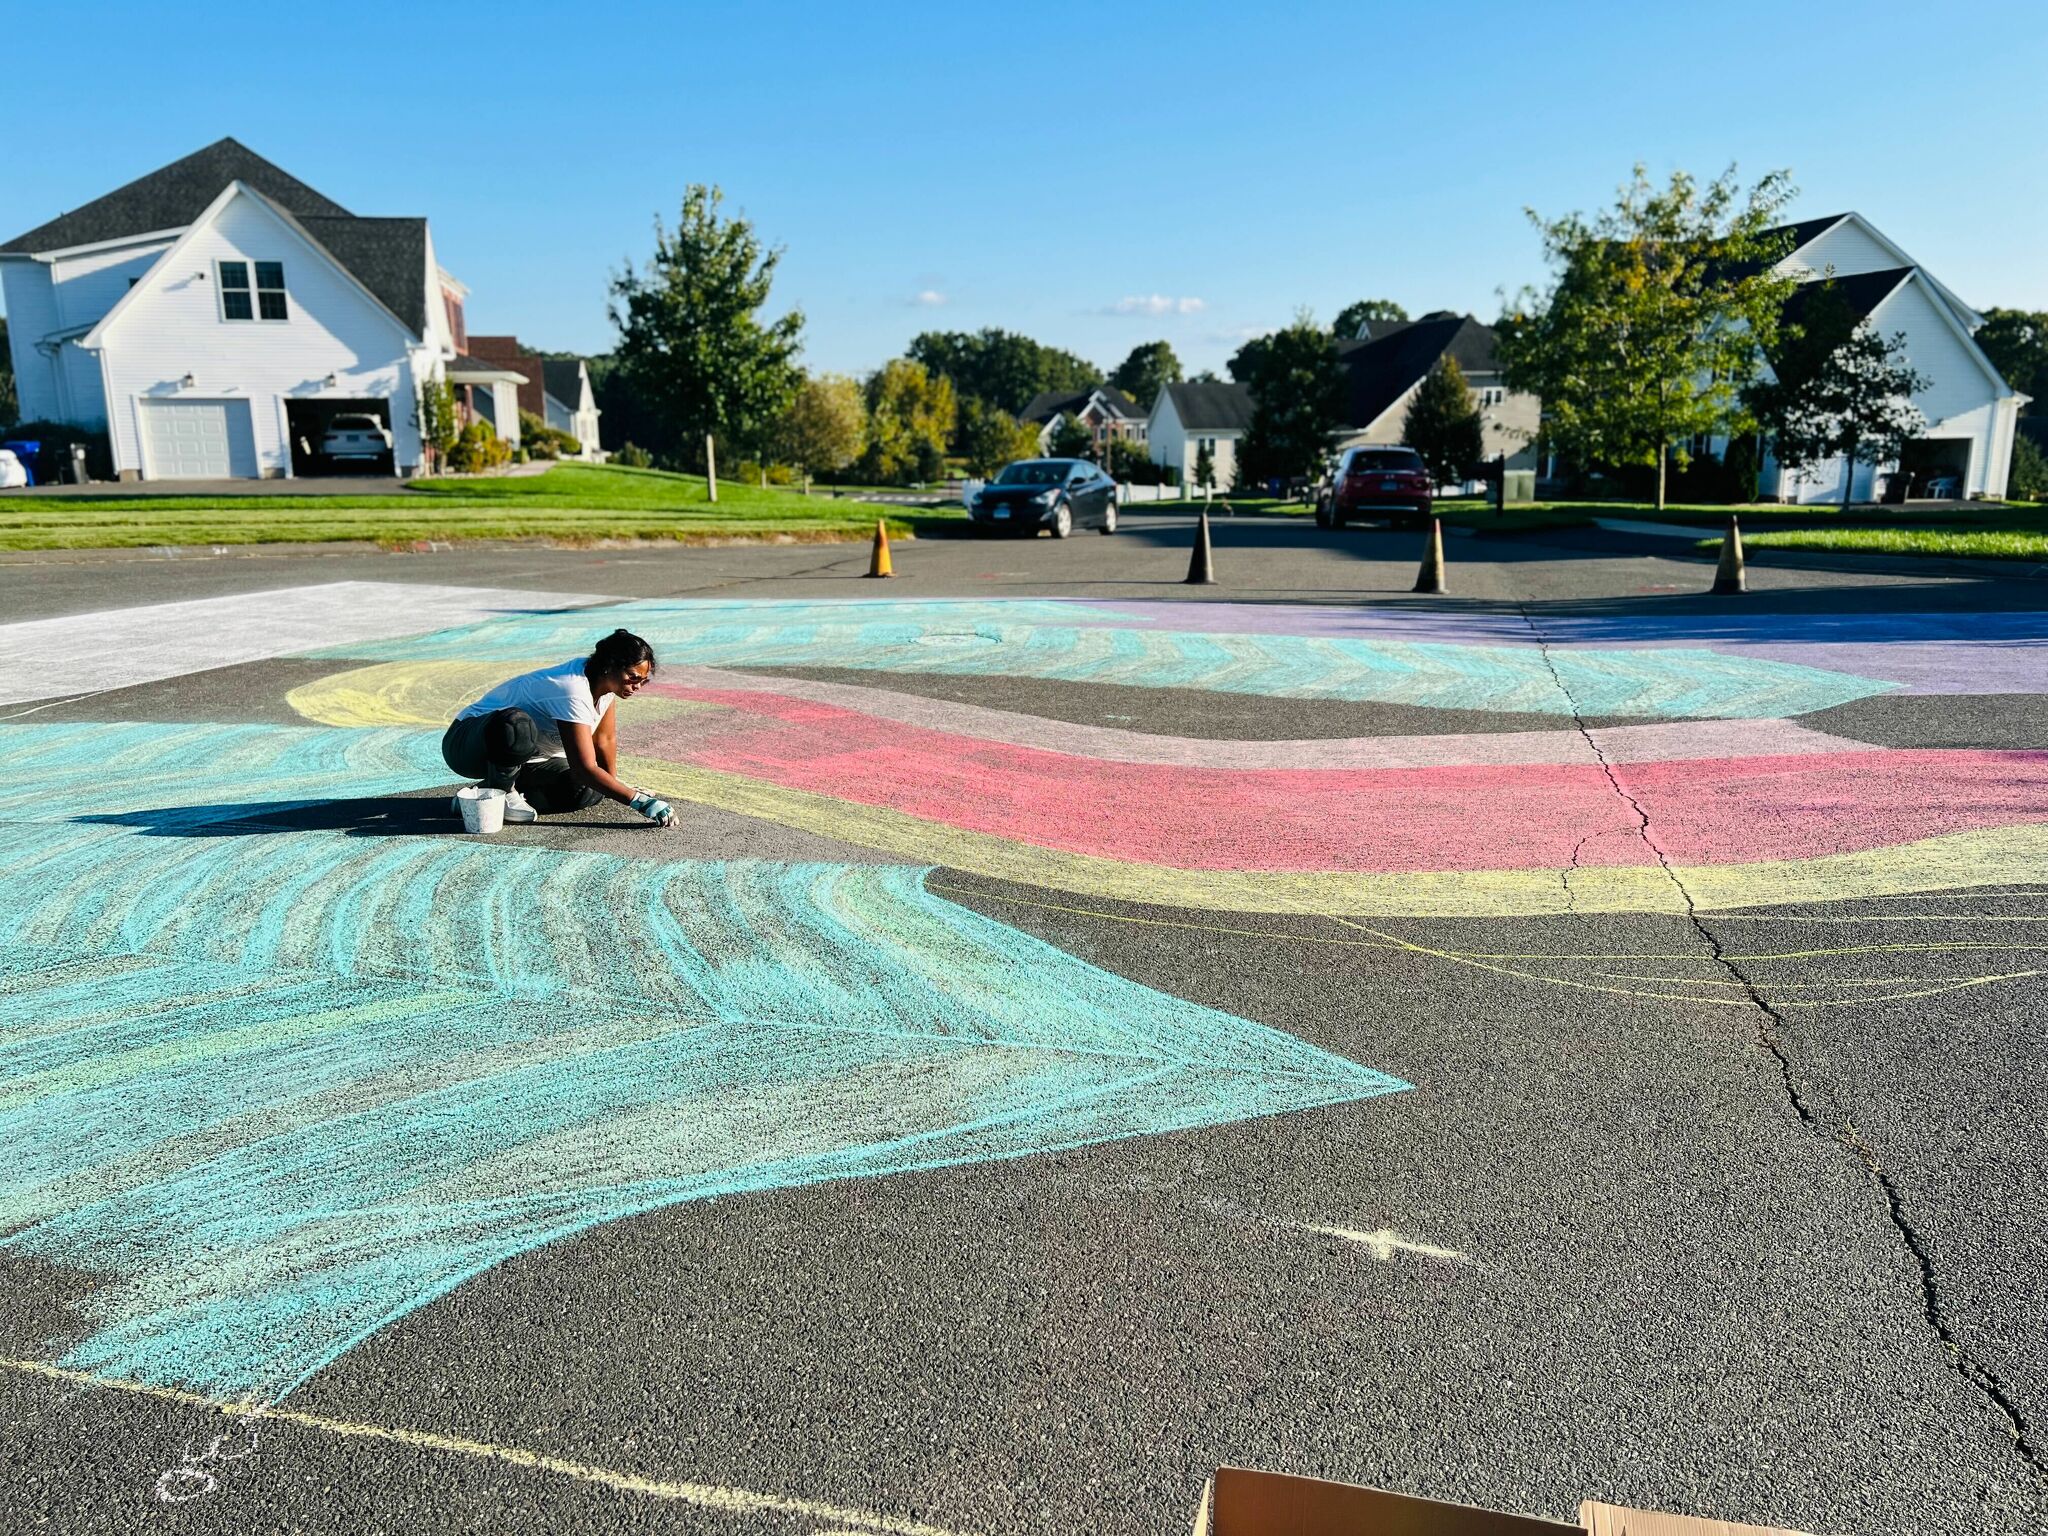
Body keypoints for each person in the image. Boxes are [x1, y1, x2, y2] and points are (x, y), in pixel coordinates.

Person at [442, 628, 677, 827]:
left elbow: (603, 740)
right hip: (466, 743)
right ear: (610, 666)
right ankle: (501, 792)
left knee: (587, 790)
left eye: (644, 680)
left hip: (527, 760)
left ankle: (481, 797)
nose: (638, 686)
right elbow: (583, 767)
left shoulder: (605, 687)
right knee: (516, 725)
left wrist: (614, 787)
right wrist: (638, 800)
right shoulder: (571, 689)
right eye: (633, 677)